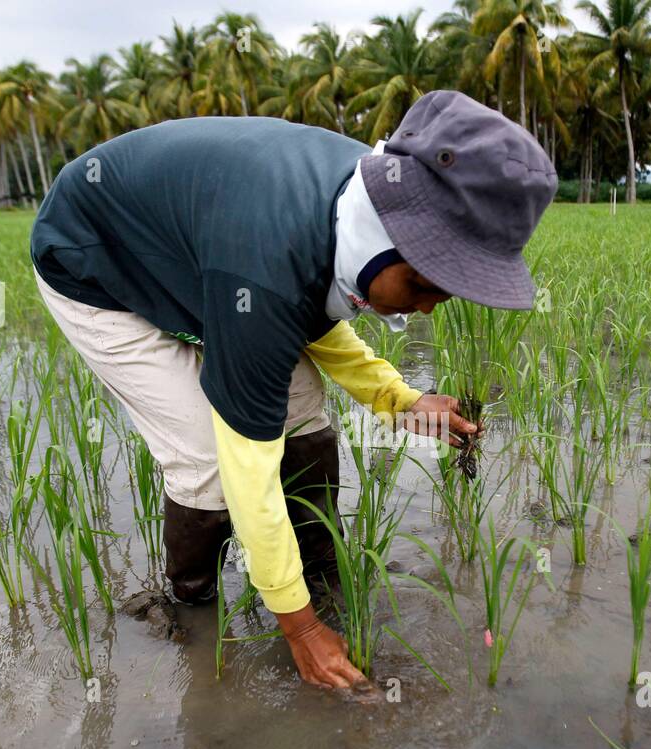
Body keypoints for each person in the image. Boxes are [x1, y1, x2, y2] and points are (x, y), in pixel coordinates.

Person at [30, 90, 556, 689]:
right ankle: (193, 614)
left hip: (214, 257)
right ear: (391, 240)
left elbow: (311, 315)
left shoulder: (365, 201)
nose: (430, 308)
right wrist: (300, 630)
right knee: (207, 458)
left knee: (303, 409)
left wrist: (400, 400)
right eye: (425, 283)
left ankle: (320, 571)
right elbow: (249, 457)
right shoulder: (269, 260)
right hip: (95, 262)